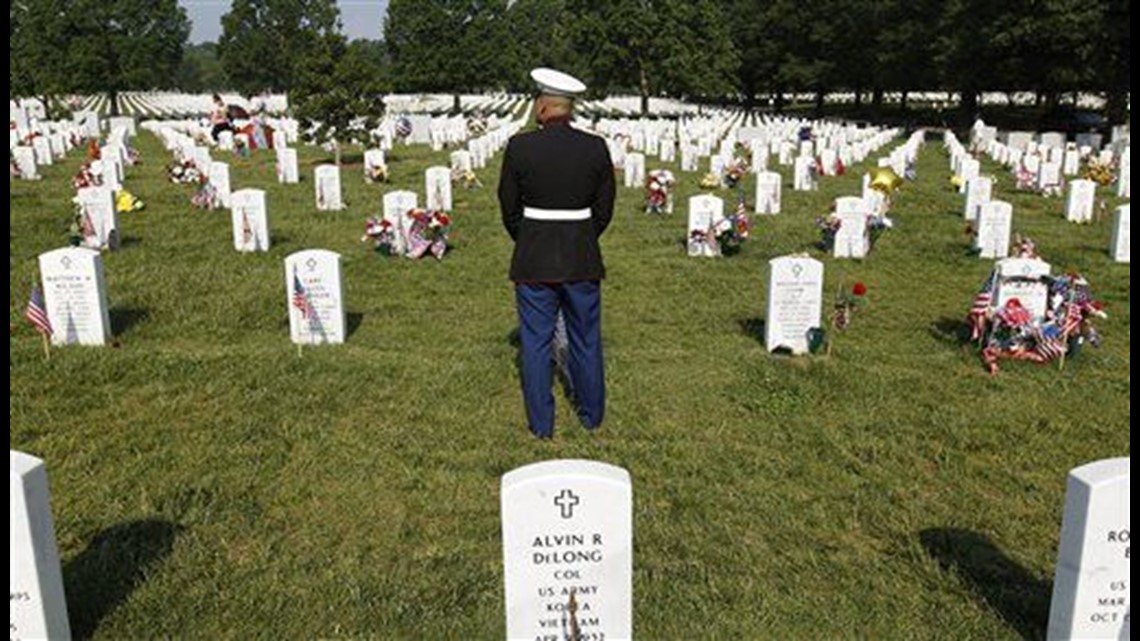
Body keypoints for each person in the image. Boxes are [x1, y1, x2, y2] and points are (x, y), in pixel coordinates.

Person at [498, 68, 615, 439]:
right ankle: (592, 415)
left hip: (534, 259)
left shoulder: (520, 147)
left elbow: (508, 206)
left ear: (545, 107)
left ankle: (541, 425)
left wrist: (530, 237)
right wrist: (581, 235)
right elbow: (605, 207)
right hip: (581, 257)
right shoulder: (595, 147)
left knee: (534, 343)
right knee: (585, 338)